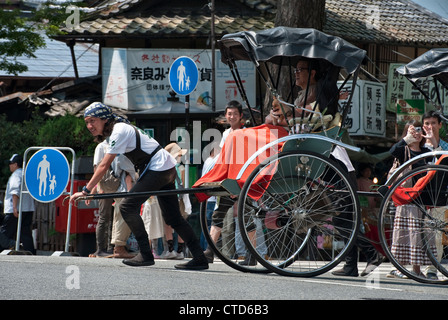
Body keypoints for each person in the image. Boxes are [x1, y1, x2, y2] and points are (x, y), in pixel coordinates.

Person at [69, 102, 208, 270]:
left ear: (104, 119)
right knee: (173, 218)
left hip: (159, 168)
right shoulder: (118, 130)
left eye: (93, 121)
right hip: (165, 167)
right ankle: (199, 257)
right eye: (87, 122)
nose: (90, 126)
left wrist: (85, 190)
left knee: (127, 206)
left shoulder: (119, 131)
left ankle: (145, 254)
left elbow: (104, 165)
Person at [387, 121, 437, 279]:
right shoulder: (404, 150)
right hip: (406, 198)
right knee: (403, 234)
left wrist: (432, 139)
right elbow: (392, 151)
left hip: (422, 198)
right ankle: (400, 268)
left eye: (418, 129)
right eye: (412, 129)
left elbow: (438, 158)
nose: (416, 132)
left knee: (419, 235)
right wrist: (406, 139)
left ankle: (416, 270)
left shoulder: (425, 150)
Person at [203, 101, 247, 263]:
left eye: (235, 113)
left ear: (241, 116)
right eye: (229, 113)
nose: (232, 116)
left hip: (242, 179)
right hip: (228, 179)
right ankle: (209, 250)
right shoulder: (226, 133)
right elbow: (222, 158)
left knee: (247, 216)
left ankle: (252, 255)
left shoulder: (245, 133)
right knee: (219, 214)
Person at [0, 154, 36, 254]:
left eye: (10, 163)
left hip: (15, 210)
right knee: (25, 233)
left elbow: (15, 191)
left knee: (5, 233)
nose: (9, 166)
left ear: (16, 164)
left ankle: (9, 248)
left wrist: (15, 207)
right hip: (28, 208)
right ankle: (30, 252)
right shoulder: (27, 175)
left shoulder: (16, 175)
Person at [160, 142, 189, 260]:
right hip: (181, 198)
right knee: (180, 222)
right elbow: (184, 184)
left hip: (169, 197)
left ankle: (170, 250)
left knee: (167, 223)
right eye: (179, 155)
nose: (180, 157)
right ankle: (180, 251)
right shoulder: (181, 168)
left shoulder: (165, 168)